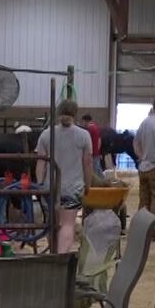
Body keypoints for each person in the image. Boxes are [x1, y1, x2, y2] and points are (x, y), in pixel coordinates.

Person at [36, 99, 104, 254]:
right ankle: (60, 257)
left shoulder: (46, 134)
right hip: (72, 189)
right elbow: (88, 163)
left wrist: (39, 185)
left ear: (59, 112)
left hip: (50, 188)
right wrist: (88, 184)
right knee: (67, 224)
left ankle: (53, 254)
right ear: (75, 114)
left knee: (52, 224)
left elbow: (41, 163)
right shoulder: (83, 135)